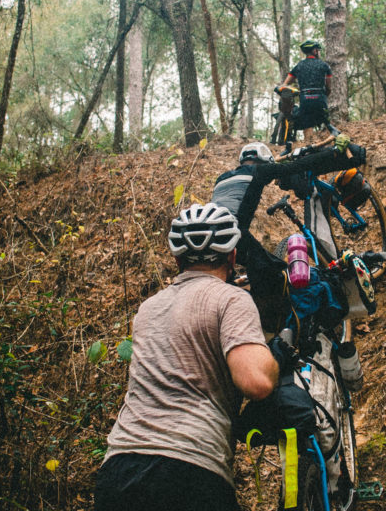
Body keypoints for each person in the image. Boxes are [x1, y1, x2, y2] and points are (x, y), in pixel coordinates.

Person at [95, 203, 295, 511]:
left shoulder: (148, 309)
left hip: (118, 471)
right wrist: (276, 355)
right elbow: (256, 381)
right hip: (188, 471)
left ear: (177, 258)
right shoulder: (231, 299)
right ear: (233, 256)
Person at [210, 138, 364, 330]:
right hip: (233, 234)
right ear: (264, 162)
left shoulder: (222, 178)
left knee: (247, 272)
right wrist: (333, 154)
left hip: (210, 237)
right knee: (275, 274)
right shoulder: (259, 171)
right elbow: (297, 166)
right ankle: (272, 326)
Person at [275, 40, 332, 139]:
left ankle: (309, 143)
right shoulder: (324, 65)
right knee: (325, 122)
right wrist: (326, 93)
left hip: (305, 99)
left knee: (307, 124)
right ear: (314, 51)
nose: (318, 52)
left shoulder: (299, 66)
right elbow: (328, 86)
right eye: (318, 50)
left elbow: (285, 84)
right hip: (320, 98)